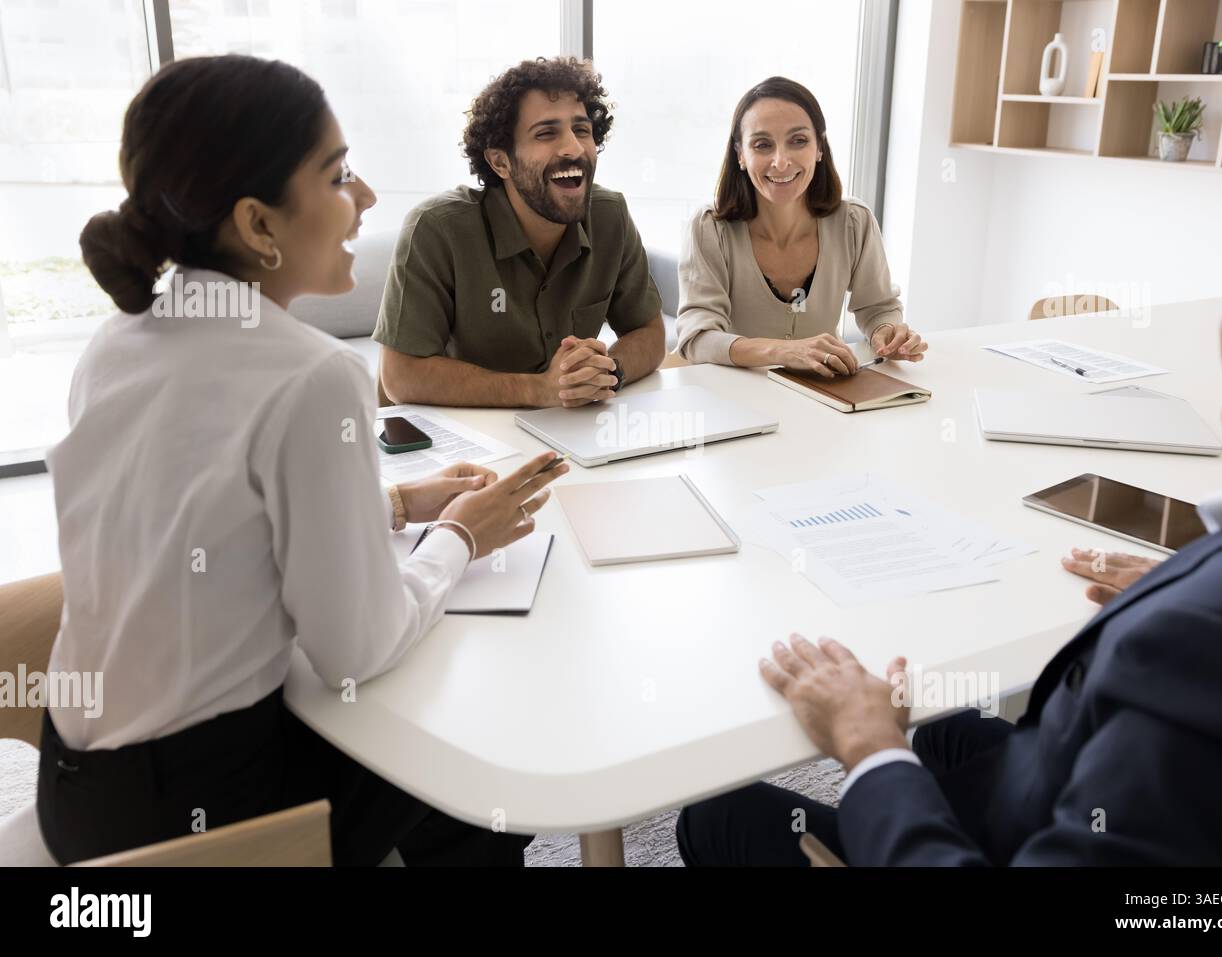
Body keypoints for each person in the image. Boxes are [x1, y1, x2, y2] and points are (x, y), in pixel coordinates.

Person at [676, 138, 1222, 866]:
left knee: (714, 815)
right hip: (1067, 772)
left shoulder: (1217, 636)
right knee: (944, 727)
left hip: (1032, 824)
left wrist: (870, 748)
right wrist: (1189, 583)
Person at [38, 55, 567, 866]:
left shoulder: (116, 343)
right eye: (338, 175)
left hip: (76, 794)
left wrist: (396, 505)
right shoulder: (312, 375)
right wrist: (459, 534)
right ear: (257, 225)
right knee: (473, 746)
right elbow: (357, 648)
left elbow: (210, 519)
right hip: (203, 819)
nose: (365, 198)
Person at [374, 57, 664, 408]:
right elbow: (401, 375)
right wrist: (538, 389)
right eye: (546, 133)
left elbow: (648, 332)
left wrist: (607, 371)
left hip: (569, 431)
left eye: (582, 130)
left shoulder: (609, 215)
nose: (573, 147)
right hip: (461, 441)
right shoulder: (436, 229)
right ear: (500, 161)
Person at [675, 77, 926, 376]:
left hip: (825, 396)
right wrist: (783, 351)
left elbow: (878, 306)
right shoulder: (709, 228)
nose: (781, 162)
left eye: (798, 141)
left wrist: (886, 333)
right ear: (741, 155)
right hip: (737, 400)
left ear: (820, 147)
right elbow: (697, 339)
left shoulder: (854, 222)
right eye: (763, 145)